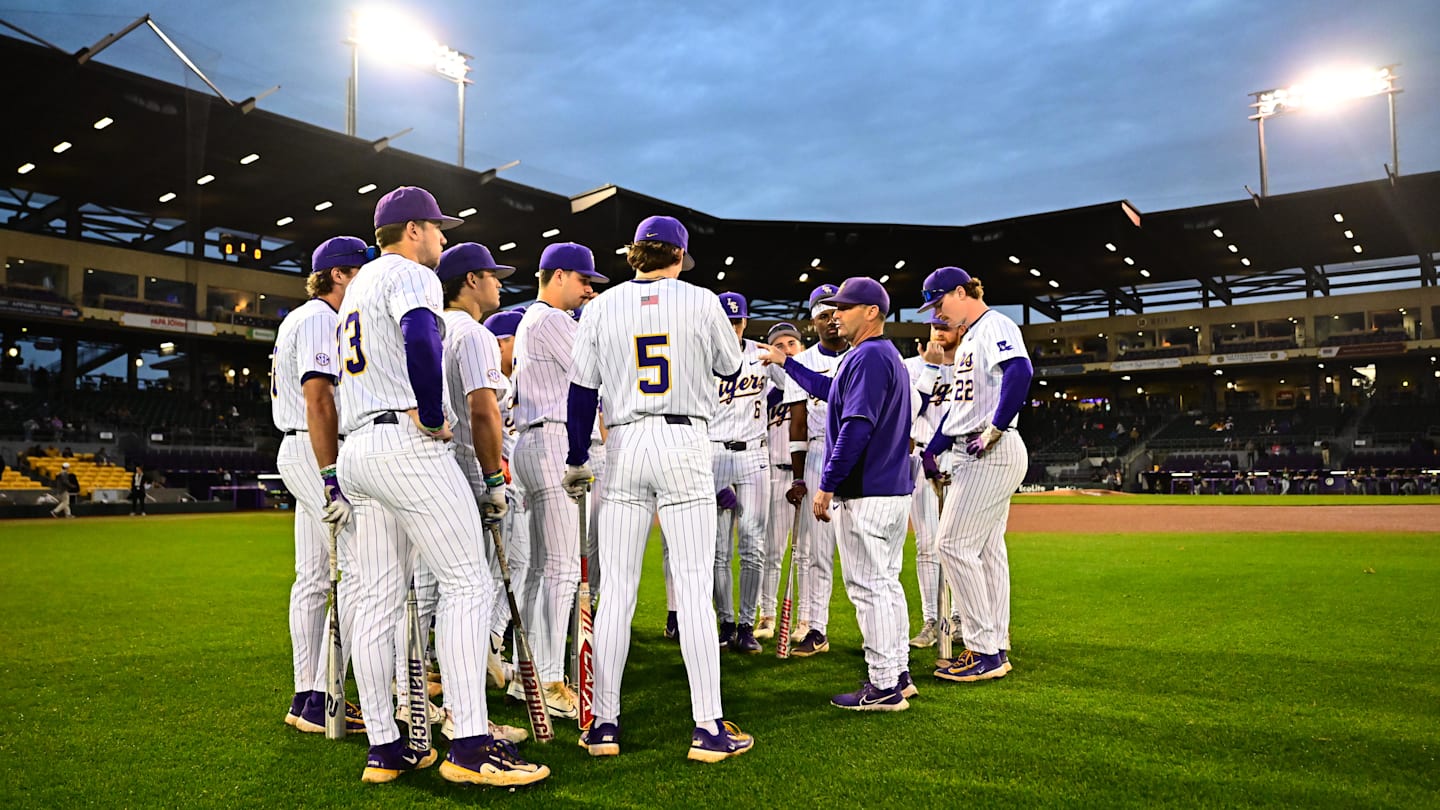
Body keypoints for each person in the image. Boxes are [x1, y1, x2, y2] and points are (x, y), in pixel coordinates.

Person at [334, 186, 547, 786]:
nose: (442, 238)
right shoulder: (411, 275)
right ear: (411, 230)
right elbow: (421, 338)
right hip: (404, 441)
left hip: (358, 448)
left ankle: (384, 746)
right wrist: (431, 412)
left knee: (376, 600)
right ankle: (471, 745)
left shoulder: (357, 289)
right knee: (467, 582)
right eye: (436, 227)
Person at [564, 214, 753, 762]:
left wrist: (578, 457)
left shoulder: (598, 307)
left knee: (617, 592)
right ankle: (708, 728)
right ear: (678, 256)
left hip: (623, 442)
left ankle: (604, 725)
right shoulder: (702, 301)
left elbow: (581, 394)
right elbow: (730, 364)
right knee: (693, 589)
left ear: (634, 254)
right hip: (684, 440)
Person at [760, 277, 917, 710]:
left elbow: (856, 425)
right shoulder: (879, 355)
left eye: (844, 308)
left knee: (869, 587)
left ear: (870, 312)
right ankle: (898, 673)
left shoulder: (867, 355)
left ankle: (883, 684)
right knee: (885, 585)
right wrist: (786, 362)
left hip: (868, 490)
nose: (835, 315)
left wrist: (826, 483)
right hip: (889, 489)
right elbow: (831, 393)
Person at [918, 266, 1034, 683]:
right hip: (974, 446)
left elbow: (1020, 372)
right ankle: (995, 644)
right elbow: (960, 406)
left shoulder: (994, 324)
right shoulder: (969, 338)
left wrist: (995, 428)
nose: (937, 313)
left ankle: (982, 649)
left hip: (992, 449)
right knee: (986, 552)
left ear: (963, 292)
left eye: (940, 302)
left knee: (950, 544)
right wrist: (934, 448)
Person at [271, 234, 367, 736]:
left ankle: (308, 696)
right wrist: (331, 477)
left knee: (311, 576)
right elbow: (319, 398)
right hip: (315, 448)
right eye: (360, 270)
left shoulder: (306, 317)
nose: (366, 278)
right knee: (357, 569)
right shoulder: (319, 318)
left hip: (302, 445)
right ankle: (326, 690)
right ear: (338, 275)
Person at [433, 243, 527, 743]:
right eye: (492, 276)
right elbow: (483, 411)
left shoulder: (433, 327)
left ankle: (430, 704)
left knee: (433, 594)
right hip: (468, 470)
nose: (498, 284)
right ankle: (462, 715)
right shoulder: (472, 334)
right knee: (469, 593)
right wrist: (494, 479)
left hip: (429, 470)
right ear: (470, 280)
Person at [511, 242, 607, 720]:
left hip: (534, 440)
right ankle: (548, 677)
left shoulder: (534, 319)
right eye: (584, 280)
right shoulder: (551, 319)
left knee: (537, 569)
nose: (589, 290)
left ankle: (525, 672)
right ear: (560, 275)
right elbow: (597, 373)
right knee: (563, 569)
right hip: (550, 440)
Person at [781, 284, 849, 656]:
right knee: (819, 550)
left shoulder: (860, 355)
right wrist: (797, 474)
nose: (832, 322)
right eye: (823, 316)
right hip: (821, 452)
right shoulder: (803, 361)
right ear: (813, 322)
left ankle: (876, 631)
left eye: (836, 313)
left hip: (858, 454)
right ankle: (817, 629)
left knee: (862, 549)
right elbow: (798, 424)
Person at [708, 292, 774, 653]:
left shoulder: (762, 356)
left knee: (752, 543)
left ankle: (747, 624)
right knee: (718, 548)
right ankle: (726, 622)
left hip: (753, 455)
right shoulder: (702, 356)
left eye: (737, 321)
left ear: (745, 322)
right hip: (715, 452)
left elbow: (791, 393)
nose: (732, 328)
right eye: (727, 321)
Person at [904, 314, 963, 649]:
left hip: (961, 456)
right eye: (934, 329)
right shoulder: (911, 367)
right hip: (921, 459)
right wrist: (929, 367)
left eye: (946, 328)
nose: (940, 334)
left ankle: (959, 618)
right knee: (927, 544)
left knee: (960, 544)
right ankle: (931, 619)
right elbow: (908, 413)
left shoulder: (967, 366)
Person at [754, 322, 805, 640]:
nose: (786, 349)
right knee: (771, 551)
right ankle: (767, 615)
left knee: (806, 555)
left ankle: (806, 620)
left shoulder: (811, 377)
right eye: (780, 345)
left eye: (791, 343)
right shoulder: (765, 385)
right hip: (773, 472)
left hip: (804, 472)